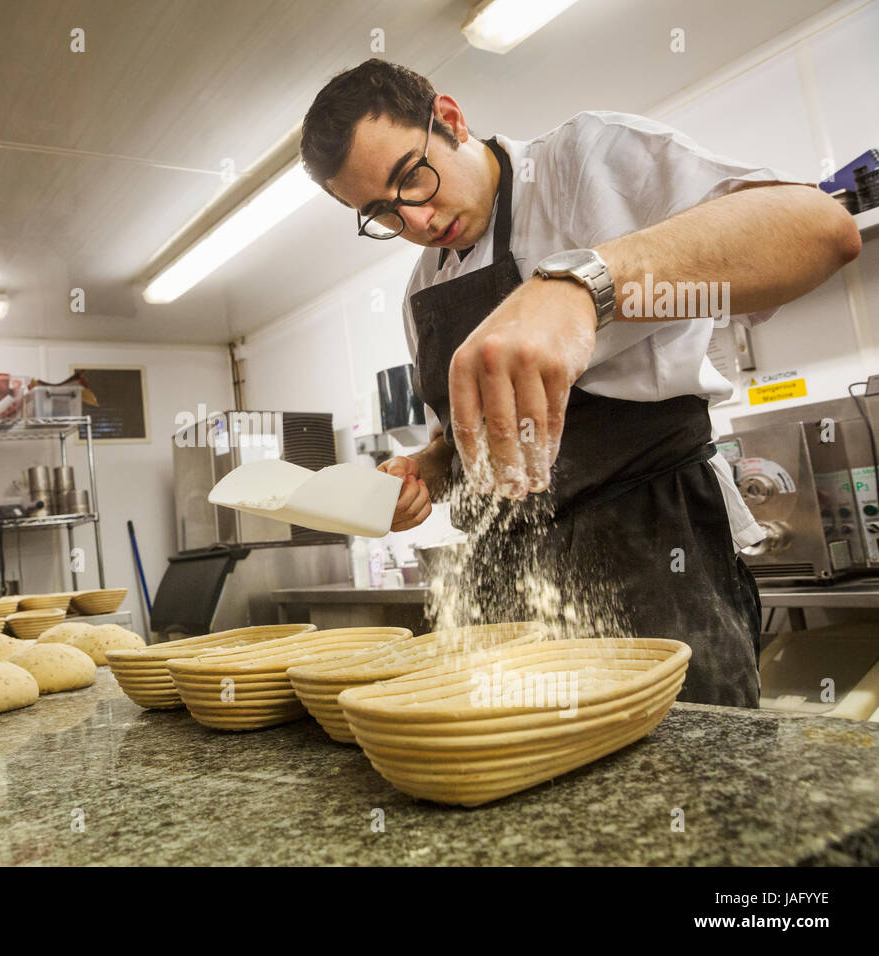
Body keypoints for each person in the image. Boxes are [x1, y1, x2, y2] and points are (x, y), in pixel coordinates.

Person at [300, 59, 861, 707]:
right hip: (506, 584)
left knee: (680, 780)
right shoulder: (421, 292)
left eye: (412, 178)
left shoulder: (585, 162)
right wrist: (426, 471)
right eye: (382, 213)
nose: (417, 221)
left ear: (449, 119)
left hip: (654, 554)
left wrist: (586, 285)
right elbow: (465, 441)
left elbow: (821, 229)